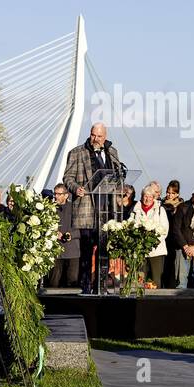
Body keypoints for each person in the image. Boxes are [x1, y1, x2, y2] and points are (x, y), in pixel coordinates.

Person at [61, 122, 124, 293]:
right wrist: (76, 188)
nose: (95, 139)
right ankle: (86, 286)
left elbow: (119, 175)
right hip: (87, 208)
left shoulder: (112, 152)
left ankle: (102, 284)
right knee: (87, 250)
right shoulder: (77, 152)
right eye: (93, 135)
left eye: (99, 136)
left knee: (105, 249)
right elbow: (67, 177)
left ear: (105, 137)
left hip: (107, 209)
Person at [128, 181, 169, 289]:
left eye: (150, 196)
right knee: (140, 279)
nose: (147, 199)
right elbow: (130, 226)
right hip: (139, 250)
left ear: (153, 198)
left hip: (156, 251)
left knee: (156, 281)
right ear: (141, 197)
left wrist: (151, 242)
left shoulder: (160, 210)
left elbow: (164, 230)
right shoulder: (135, 209)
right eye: (145, 196)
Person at [46, 184, 81, 288]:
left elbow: (82, 228)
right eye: (55, 194)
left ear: (66, 195)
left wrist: (71, 235)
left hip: (72, 251)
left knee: (72, 283)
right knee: (53, 284)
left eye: (59, 194)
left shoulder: (75, 207)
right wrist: (53, 233)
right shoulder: (49, 209)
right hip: (55, 252)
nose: (56, 196)